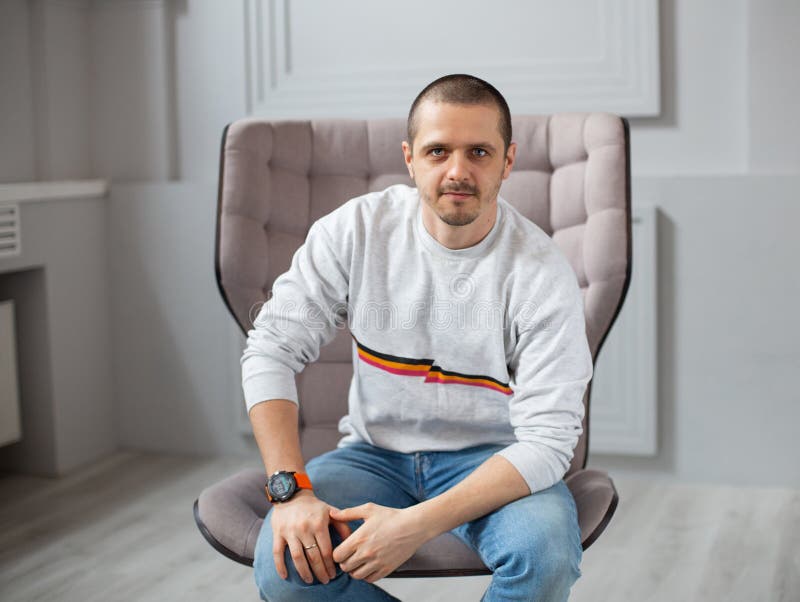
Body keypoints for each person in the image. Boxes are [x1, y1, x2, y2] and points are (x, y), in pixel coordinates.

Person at [242, 73, 592, 601]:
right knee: (286, 569)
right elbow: (270, 349)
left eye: (479, 151)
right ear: (409, 158)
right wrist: (289, 492)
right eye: (437, 151)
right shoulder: (356, 230)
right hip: (372, 455)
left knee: (544, 556)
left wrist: (415, 524)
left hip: (491, 458)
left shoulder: (541, 272)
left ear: (508, 160)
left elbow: (547, 442)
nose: (458, 171)